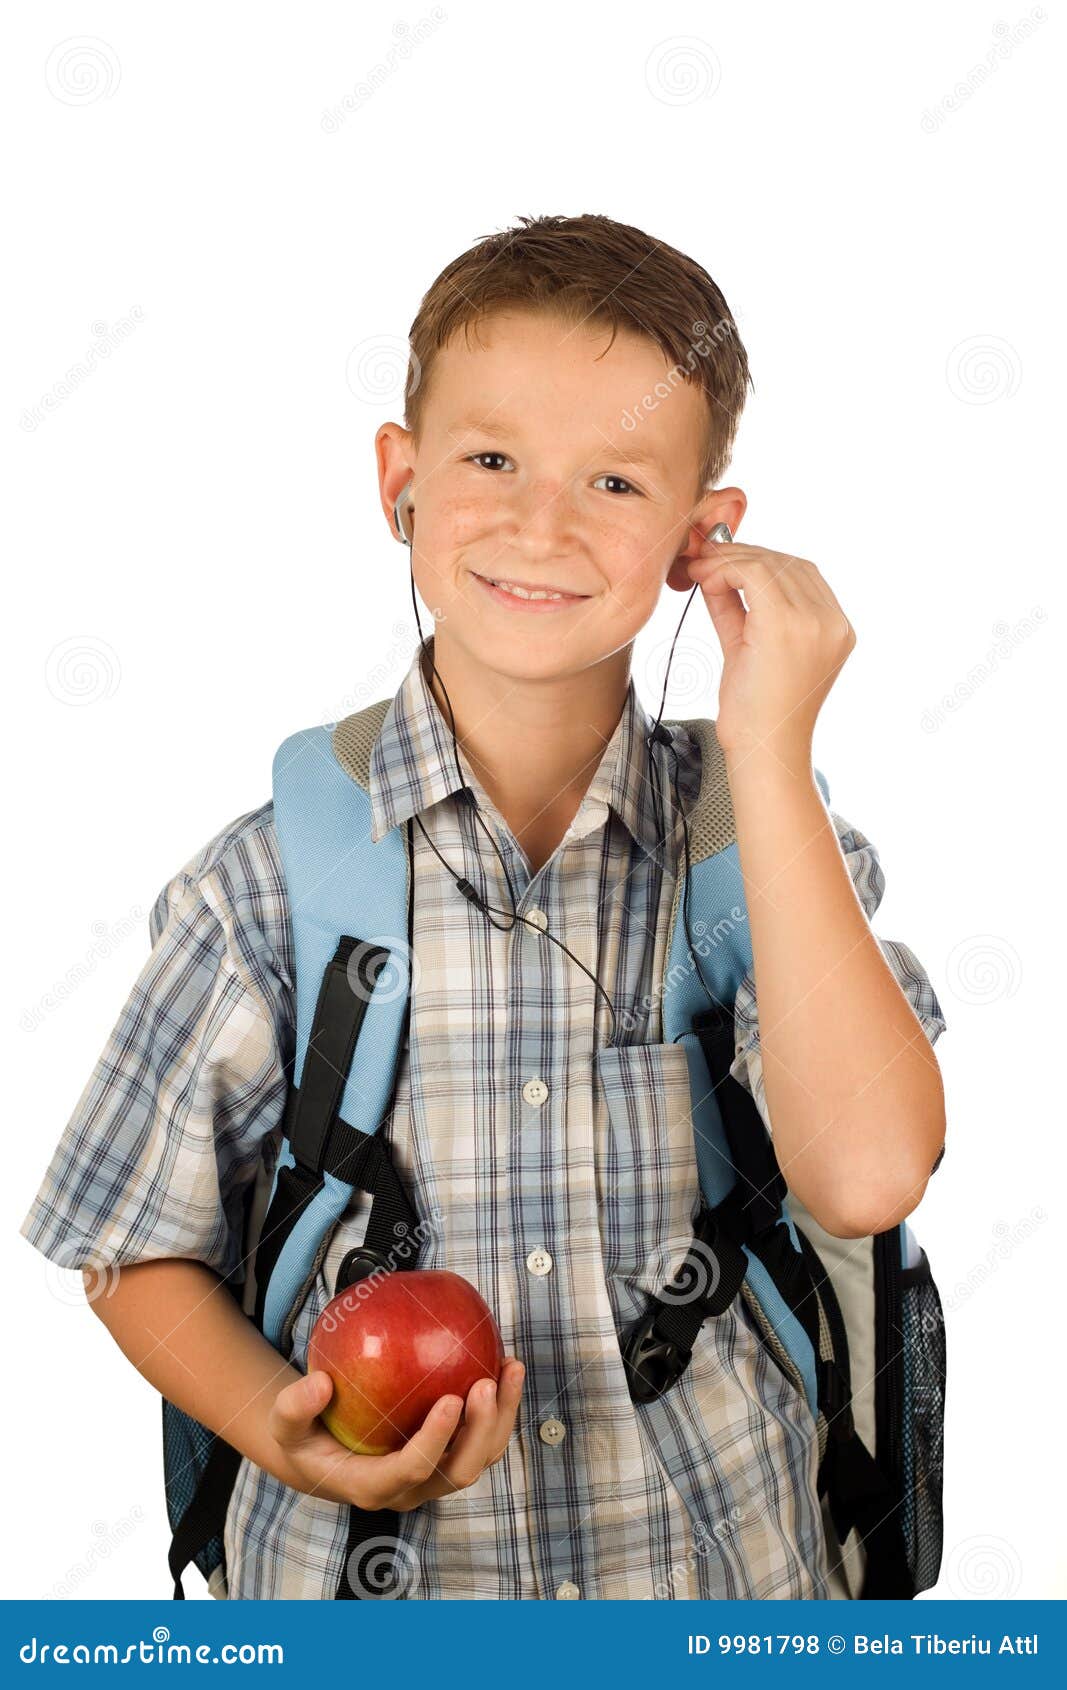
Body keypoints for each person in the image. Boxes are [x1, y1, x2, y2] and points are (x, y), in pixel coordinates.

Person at [20, 213, 947, 1600]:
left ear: (706, 536)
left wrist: (770, 748)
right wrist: (289, 1439)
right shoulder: (269, 882)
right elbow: (131, 1242)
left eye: (617, 482)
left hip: (718, 1590)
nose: (542, 522)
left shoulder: (765, 849)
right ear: (400, 480)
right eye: (493, 457)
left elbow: (868, 1175)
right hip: (371, 1603)